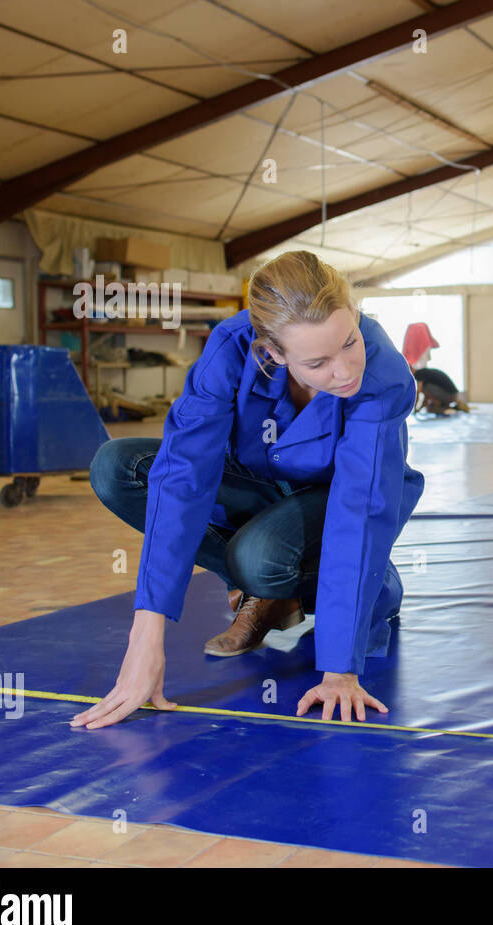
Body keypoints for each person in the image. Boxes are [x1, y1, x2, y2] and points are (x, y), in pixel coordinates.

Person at [78, 250, 423, 729]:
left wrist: (339, 669)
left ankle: (359, 585)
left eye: (349, 342)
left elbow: (358, 510)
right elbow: (183, 475)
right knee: (117, 466)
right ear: (272, 353)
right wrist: (145, 637)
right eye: (318, 361)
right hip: (263, 486)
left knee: (259, 559)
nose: (345, 371)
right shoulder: (232, 349)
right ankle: (273, 589)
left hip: (335, 502)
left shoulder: (382, 376)